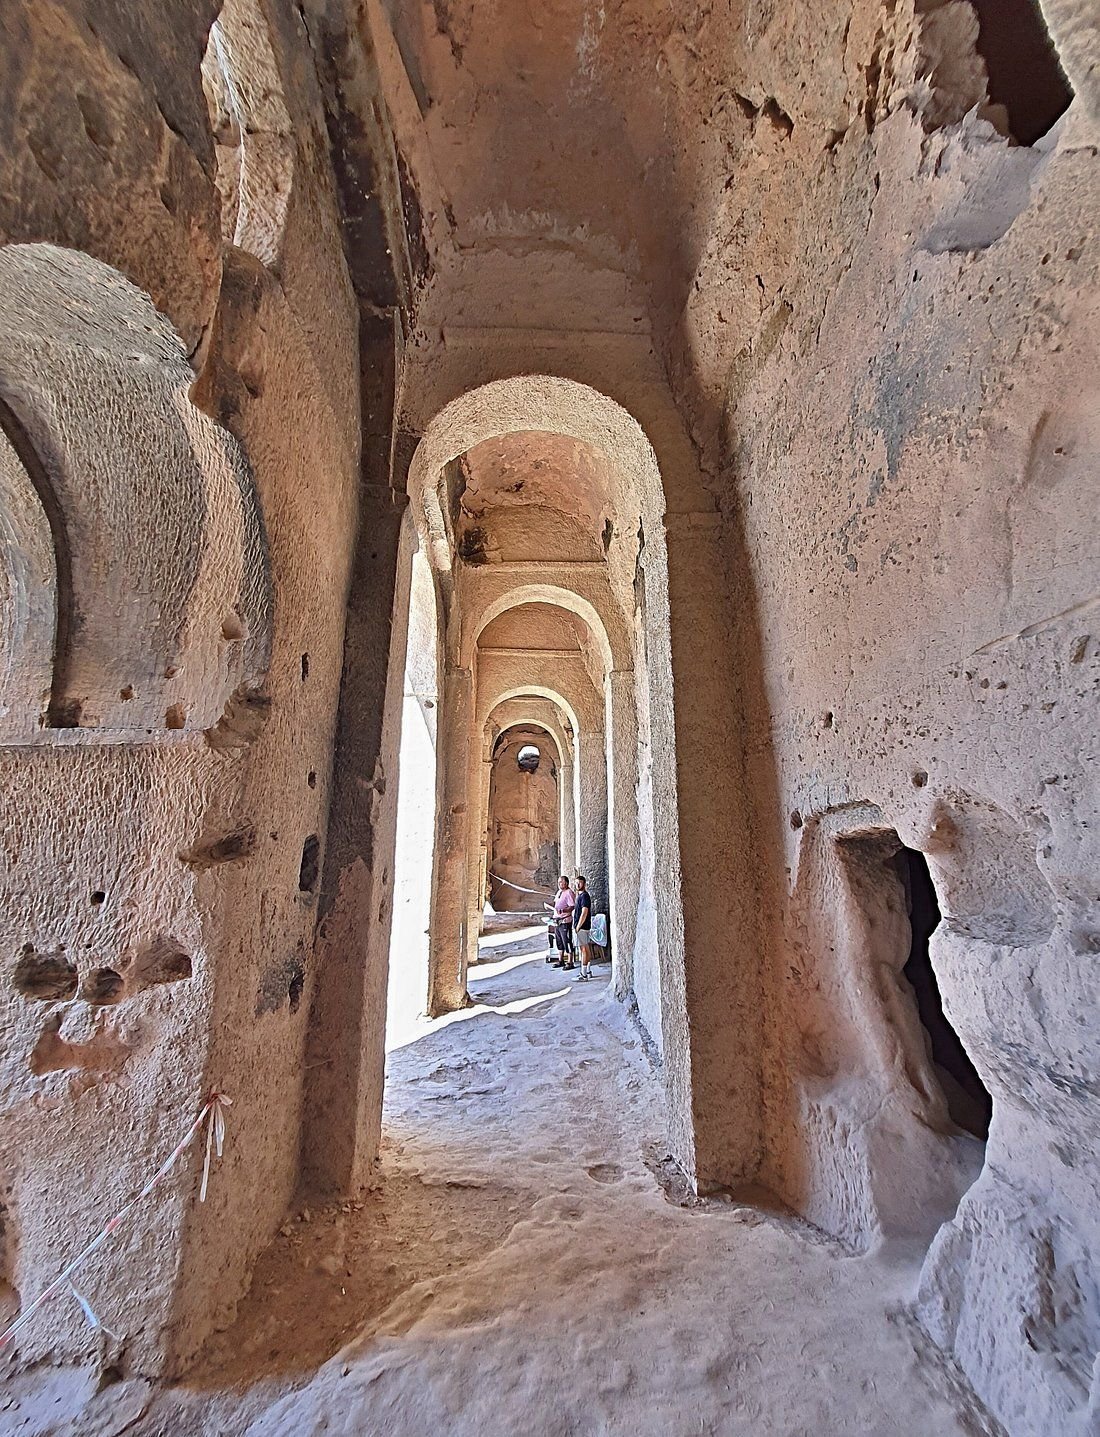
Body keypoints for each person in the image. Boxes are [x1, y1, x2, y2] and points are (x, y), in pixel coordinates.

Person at [545, 874, 576, 969]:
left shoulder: (569, 892)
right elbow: (556, 903)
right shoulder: (559, 892)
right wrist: (548, 905)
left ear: (566, 883)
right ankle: (561, 960)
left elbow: (572, 906)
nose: (559, 884)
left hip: (565, 920)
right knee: (559, 941)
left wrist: (563, 911)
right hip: (557, 920)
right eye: (558, 882)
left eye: (561, 882)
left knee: (566, 940)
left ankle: (570, 961)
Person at [573, 875, 593, 982]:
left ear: (584, 884)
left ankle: (583, 974)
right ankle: (588, 971)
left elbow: (584, 912)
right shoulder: (580, 896)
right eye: (576, 883)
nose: (577, 885)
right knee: (586, 948)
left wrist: (578, 926)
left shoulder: (584, 896)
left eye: (579, 883)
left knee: (584, 950)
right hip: (583, 927)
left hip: (582, 927)